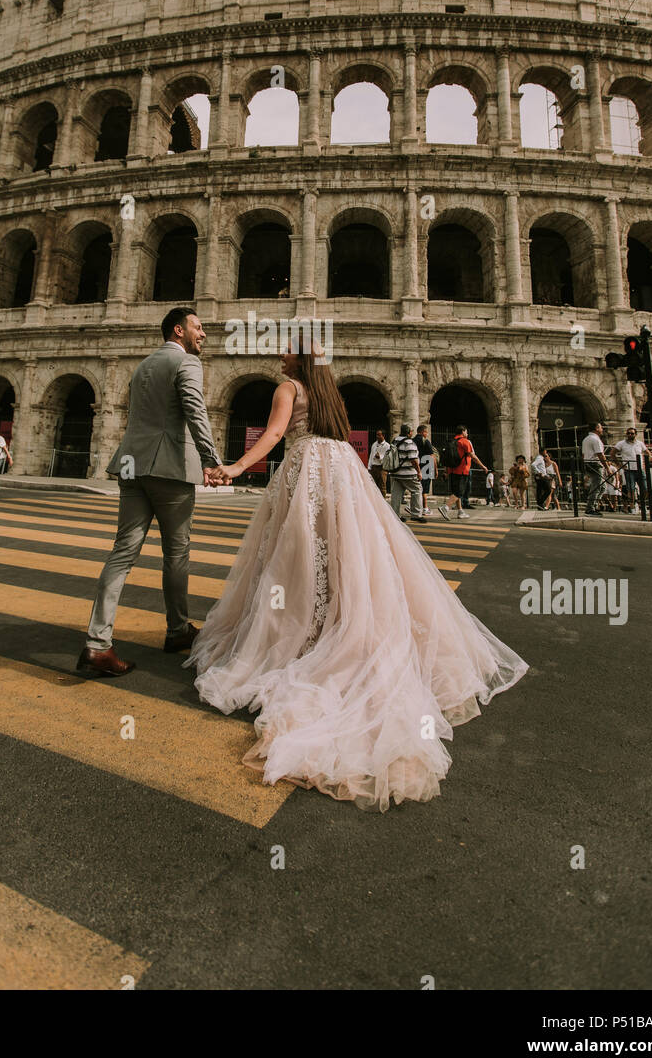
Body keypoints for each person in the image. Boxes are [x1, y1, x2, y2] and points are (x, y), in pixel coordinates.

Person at [185, 338, 528, 811]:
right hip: (341, 470)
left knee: (299, 557)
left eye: (286, 349)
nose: (279, 354)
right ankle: (339, 623)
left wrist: (237, 466)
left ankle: (307, 633)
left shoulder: (287, 387)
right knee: (351, 554)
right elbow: (336, 437)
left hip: (306, 470)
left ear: (299, 359)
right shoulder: (329, 393)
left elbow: (272, 434)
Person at [77, 307, 224, 677]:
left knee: (123, 551)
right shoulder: (187, 363)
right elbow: (195, 411)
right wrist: (211, 459)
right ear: (179, 330)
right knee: (176, 552)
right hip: (169, 467)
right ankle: (176, 629)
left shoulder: (142, 366)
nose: (203, 334)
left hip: (131, 464)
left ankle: (98, 643)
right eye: (198, 328)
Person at [438, 425, 487, 520]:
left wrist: (446, 472)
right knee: (459, 492)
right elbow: (473, 456)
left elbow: (448, 457)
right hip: (462, 470)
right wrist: (483, 466)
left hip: (452, 470)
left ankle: (460, 511)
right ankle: (445, 507)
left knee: (456, 491)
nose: (467, 434)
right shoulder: (465, 442)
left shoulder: (452, 442)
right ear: (463, 431)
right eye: (466, 432)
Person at [388, 422, 423, 522]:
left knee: (396, 494)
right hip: (408, 474)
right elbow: (414, 460)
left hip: (396, 472)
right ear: (409, 432)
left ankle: (395, 515)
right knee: (417, 490)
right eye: (411, 431)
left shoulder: (394, 441)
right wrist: (419, 472)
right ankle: (416, 514)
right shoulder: (409, 443)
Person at [612, 427, 647, 515]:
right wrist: (619, 464)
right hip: (629, 469)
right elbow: (612, 453)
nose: (630, 435)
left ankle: (641, 504)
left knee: (644, 488)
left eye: (632, 433)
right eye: (628, 433)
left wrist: (645, 463)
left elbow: (648, 453)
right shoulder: (621, 443)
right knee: (630, 489)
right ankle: (632, 506)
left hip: (639, 468)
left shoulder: (640, 443)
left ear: (635, 434)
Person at [581, 422, 610, 515]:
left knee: (602, 486)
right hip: (595, 464)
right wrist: (607, 467)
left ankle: (594, 505)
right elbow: (600, 454)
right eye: (601, 428)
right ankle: (590, 508)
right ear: (596, 428)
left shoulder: (586, 439)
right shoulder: (595, 440)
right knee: (597, 486)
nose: (602, 430)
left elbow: (583, 454)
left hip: (588, 463)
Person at [414, 423, 437, 515]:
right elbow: (432, 457)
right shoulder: (426, 441)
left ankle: (413, 506)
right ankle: (425, 508)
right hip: (426, 467)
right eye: (426, 432)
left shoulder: (412, 441)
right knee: (425, 489)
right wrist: (436, 469)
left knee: (415, 488)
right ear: (423, 432)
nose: (427, 434)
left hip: (415, 466)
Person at [367, 429, 390, 496]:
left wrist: (380, 457)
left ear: (383, 436)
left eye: (379, 435)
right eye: (377, 435)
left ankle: (383, 502)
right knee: (373, 486)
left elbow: (387, 458)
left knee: (382, 486)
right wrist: (369, 467)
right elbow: (371, 455)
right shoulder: (374, 444)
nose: (377, 436)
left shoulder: (387, 446)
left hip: (382, 468)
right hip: (374, 467)